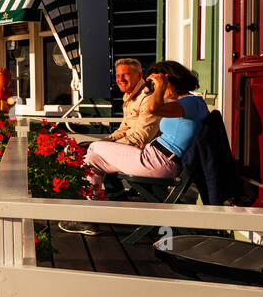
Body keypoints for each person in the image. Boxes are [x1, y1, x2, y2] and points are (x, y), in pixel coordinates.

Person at [60, 60, 206, 234]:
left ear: (169, 80)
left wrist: (160, 86)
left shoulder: (190, 103)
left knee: (94, 148)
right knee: (93, 159)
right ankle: (89, 216)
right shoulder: (186, 104)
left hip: (160, 162)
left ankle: (93, 212)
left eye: (155, 85)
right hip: (156, 157)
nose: (152, 90)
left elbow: (153, 109)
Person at [105, 58, 160, 148]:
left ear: (140, 75)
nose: (120, 79)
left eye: (125, 75)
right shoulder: (128, 97)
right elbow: (124, 128)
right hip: (129, 146)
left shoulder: (148, 97)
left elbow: (142, 136)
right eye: (117, 75)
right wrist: (105, 141)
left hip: (145, 152)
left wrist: (109, 146)